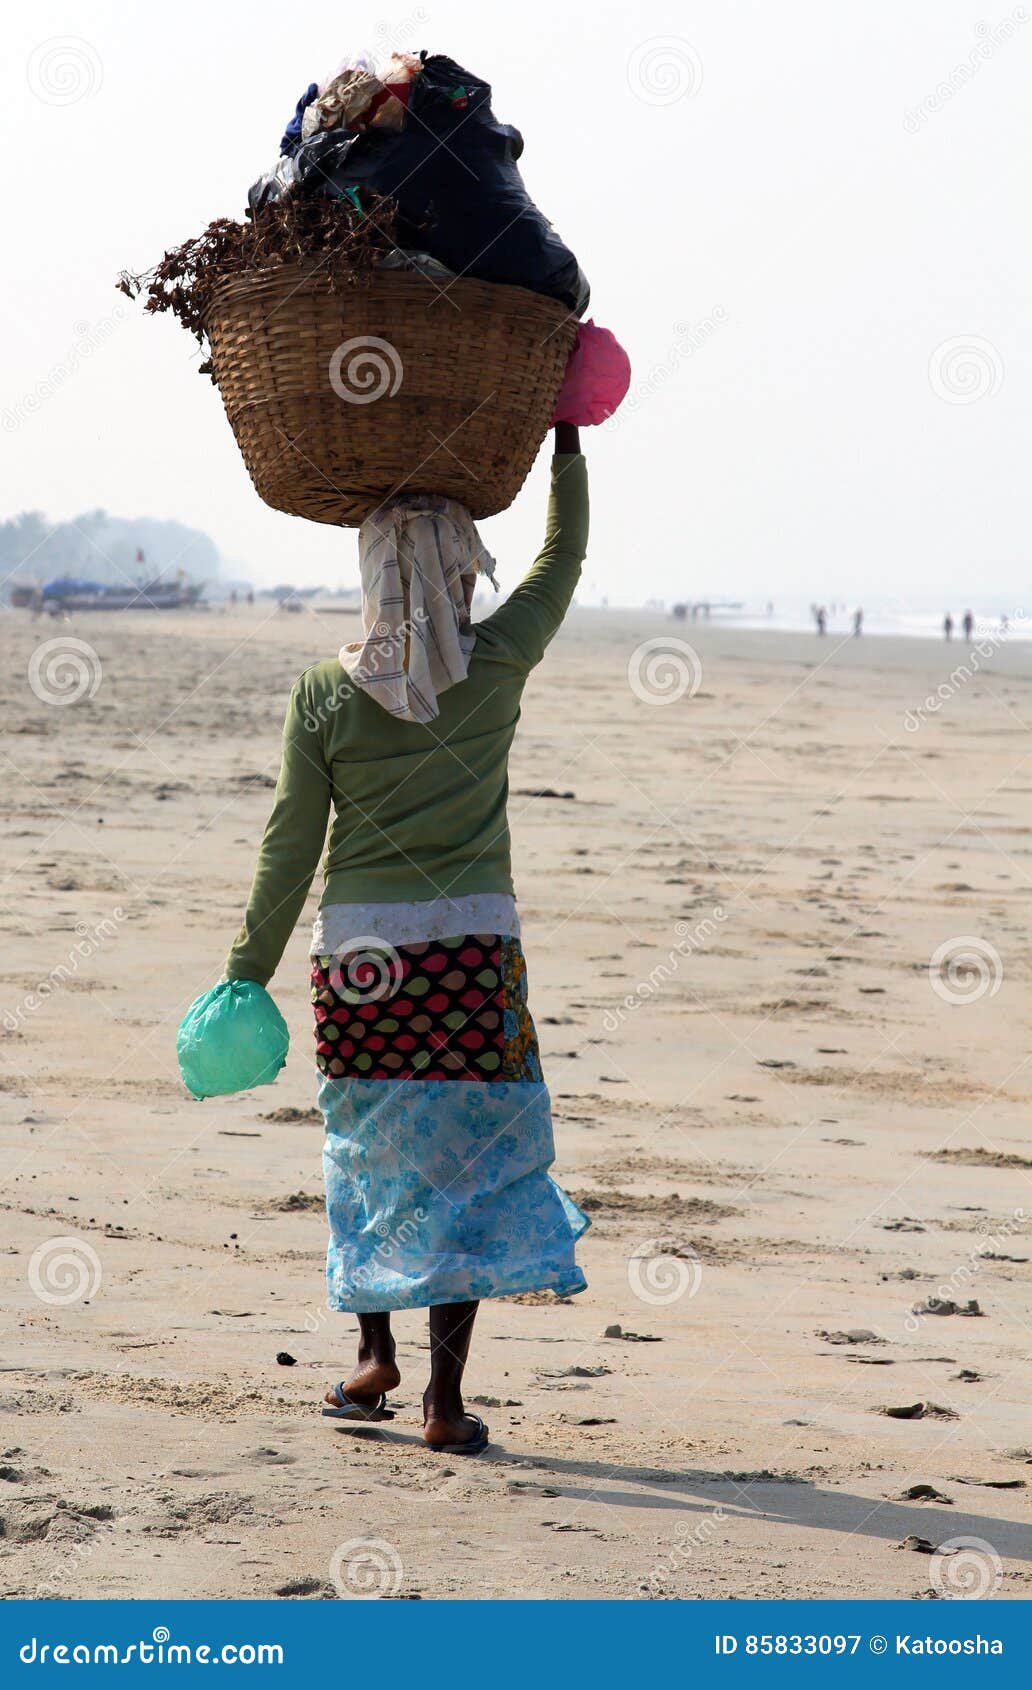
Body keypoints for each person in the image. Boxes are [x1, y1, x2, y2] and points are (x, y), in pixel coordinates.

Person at [223, 424, 590, 1454]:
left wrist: (245, 971)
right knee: (466, 1162)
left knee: (368, 1149)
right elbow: (563, 563)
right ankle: (441, 1400)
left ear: (373, 573)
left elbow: (290, 845)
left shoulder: (326, 694)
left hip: (361, 962)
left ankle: (371, 1351)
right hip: (470, 956)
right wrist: (566, 447)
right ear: (460, 572)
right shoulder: (498, 661)